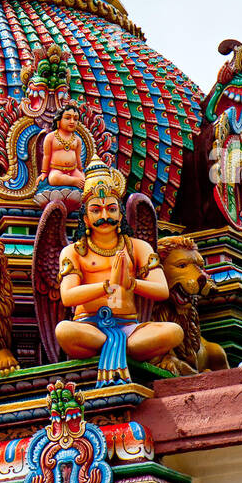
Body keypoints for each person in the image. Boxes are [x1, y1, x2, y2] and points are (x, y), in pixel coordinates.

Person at [55, 159, 183, 385]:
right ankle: (115, 345)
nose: (105, 215)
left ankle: (119, 345)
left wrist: (130, 284)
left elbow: (162, 290)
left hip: (130, 328)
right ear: (86, 218)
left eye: (111, 208)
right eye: (96, 210)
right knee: (64, 330)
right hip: (89, 328)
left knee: (173, 332)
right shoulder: (73, 251)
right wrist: (107, 286)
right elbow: (68, 296)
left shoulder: (138, 247)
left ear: (121, 214)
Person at [38, 102, 86, 190]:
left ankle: (73, 180)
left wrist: (81, 170)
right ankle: (72, 181)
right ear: (58, 120)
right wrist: (44, 172)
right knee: (53, 179)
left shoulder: (77, 139)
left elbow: (78, 156)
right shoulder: (51, 137)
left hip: (73, 170)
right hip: (56, 169)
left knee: (84, 182)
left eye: (75, 119)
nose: (72, 121)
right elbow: (46, 156)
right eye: (67, 118)